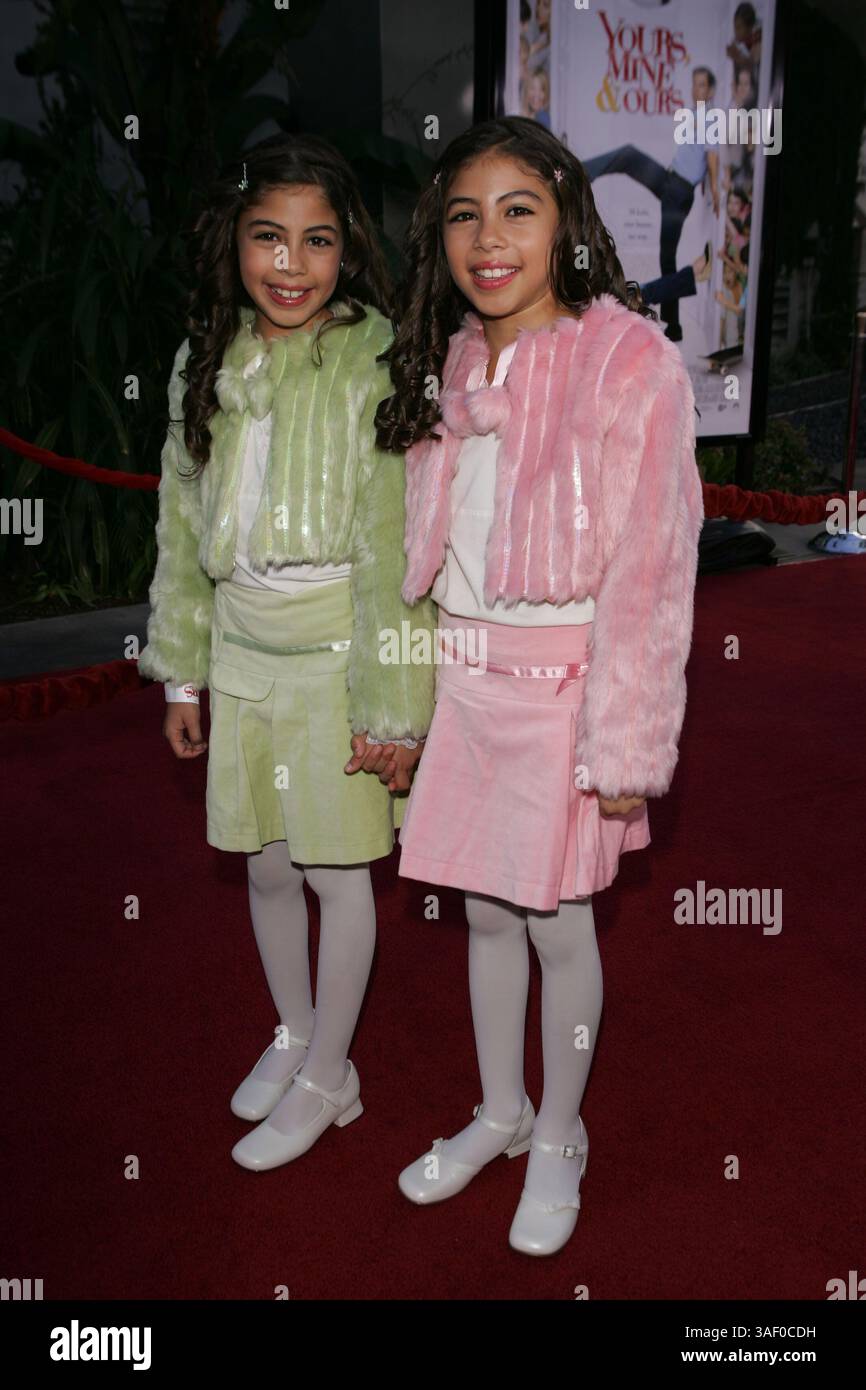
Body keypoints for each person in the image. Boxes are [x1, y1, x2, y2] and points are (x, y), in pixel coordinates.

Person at [376, 117, 704, 1256]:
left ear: (564, 220)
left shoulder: (630, 362)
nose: (488, 236)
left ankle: (559, 1131)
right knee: (481, 913)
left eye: (517, 208)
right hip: (464, 683)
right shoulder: (457, 357)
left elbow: (651, 574)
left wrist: (621, 745)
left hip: (568, 697)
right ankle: (501, 1110)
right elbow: (427, 555)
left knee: (560, 928)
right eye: (464, 213)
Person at [137, 133, 435, 1173]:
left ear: (345, 248)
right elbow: (180, 526)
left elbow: (395, 552)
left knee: (335, 874)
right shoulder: (202, 356)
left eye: (316, 241)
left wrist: (390, 709)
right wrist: (181, 669)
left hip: (335, 658)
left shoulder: (377, 355)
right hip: (239, 650)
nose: (290, 265)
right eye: (269, 237)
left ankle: (330, 1074)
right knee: (265, 865)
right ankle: (295, 1030)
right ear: (234, 243)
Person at [582, 67, 721, 341]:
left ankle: (583, 171)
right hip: (673, 185)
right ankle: (676, 326)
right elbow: (698, 158)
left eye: (702, 86)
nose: (696, 90)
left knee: (629, 156)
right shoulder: (694, 115)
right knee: (666, 258)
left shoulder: (709, 118)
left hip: (678, 191)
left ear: (711, 91)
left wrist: (714, 187)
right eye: (694, 85)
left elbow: (712, 155)